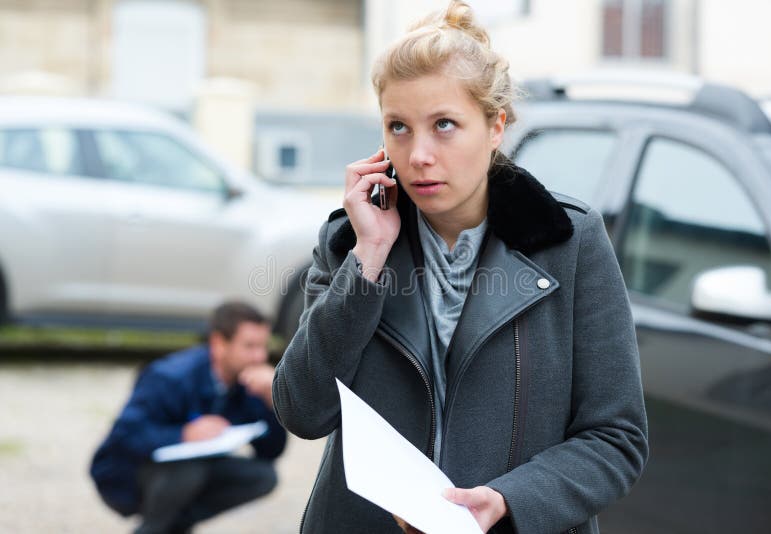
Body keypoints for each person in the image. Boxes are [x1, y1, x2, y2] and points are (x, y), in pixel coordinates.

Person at [273, 1, 648, 532]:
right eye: (398, 127)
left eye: (444, 125)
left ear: (495, 127)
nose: (419, 153)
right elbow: (302, 411)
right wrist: (369, 259)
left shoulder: (569, 240)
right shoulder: (349, 243)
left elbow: (616, 438)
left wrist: (507, 501)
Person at [90, 301, 287, 534]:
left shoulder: (249, 381)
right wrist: (183, 434)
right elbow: (125, 437)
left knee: (263, 477)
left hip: (191, 470)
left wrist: (271, 400)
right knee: (190, 469)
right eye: (250, 346)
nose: (260, 356)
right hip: (127, 474)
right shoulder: (171, 376)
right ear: (218, 343)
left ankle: (173, 527)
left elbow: (270, 452)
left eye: (263, 346)